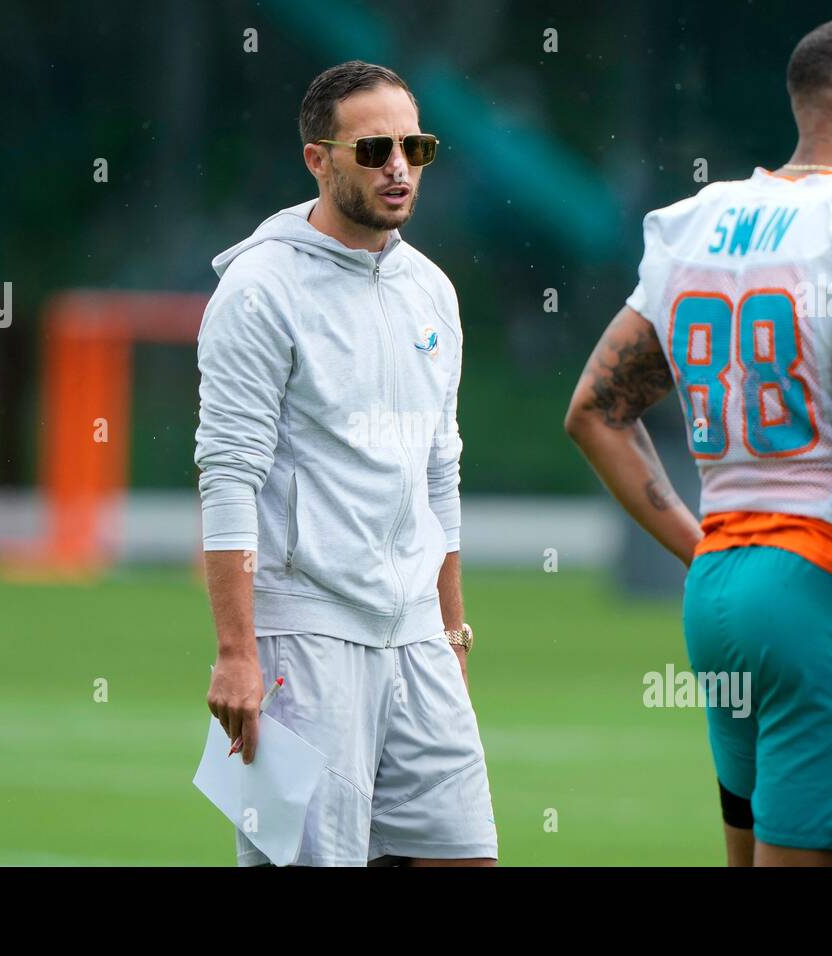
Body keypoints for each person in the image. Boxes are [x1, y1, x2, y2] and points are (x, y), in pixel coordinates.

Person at [565, 17, 832, 865]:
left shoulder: (697, 219)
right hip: (827, 588)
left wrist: (707, 549)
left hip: (720, 591)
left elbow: (594, 410)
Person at [194, 61, 497, 867]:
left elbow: (441, 472)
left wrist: (451, 630)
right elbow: (229, 474)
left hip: (418, 640)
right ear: (317, 159)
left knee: (465, 856)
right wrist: (236, 650)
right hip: (305, 636)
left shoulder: (430, 288)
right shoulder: (260, 288)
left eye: (415, 147)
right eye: (373, 150)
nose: (398, 167)